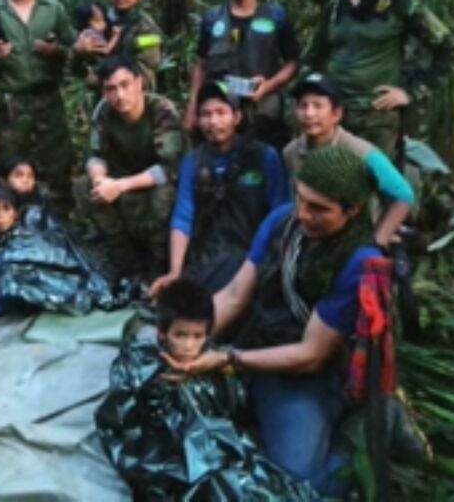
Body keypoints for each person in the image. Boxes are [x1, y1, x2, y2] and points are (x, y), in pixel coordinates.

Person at [162, 145, 380, 494]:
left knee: (298, 485)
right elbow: (235, 295)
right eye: (301, 199)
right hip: (258, 341)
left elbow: (311, 355)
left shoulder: (358, 262)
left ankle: (358, 435)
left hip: (305, 373)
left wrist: (228, 359)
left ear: (351, 210)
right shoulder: (282, 220)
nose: (304, 214)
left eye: (319, 208)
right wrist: (186, 336)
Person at [94, 278, 319, 499]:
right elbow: (121, 422)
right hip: (173, 458)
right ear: (162, 332)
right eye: (180, 335)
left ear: (207, 335)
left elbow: (233, 408)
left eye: (197, 336)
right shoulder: (142, 365)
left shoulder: (215, 361)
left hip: (218, 451)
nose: (189, 345)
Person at [304, 0, 454, 156]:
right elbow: (312, 57)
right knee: (328, 181)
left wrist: (410, 92)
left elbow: (451, 52)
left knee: (374, 183)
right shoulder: (335, 7)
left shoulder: (402, 4)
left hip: (376, 118)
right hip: (333, 114)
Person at [151, 81, 289, 297]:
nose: (213, 121)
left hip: (252, 256)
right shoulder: (193, 160)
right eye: (205, 114)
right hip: (207, 255)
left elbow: (280, 213)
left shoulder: (264, 156)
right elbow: (183, 217)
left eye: (221, 112)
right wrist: (175, 270)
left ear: (236, 117)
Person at [0, 0, 77, 216]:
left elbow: (74, 47)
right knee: (11, 162)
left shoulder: (53, 9)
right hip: (12, 100)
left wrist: (55, 50)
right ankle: (13, 220)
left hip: (48, 97)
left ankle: (58, 220)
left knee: (57, 161)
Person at [78, 57, 185, 284]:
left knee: (164, 194)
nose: (120, 95)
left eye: (125, 85)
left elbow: (170, 168)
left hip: (157, 179)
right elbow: (95, 155)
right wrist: (100, 181)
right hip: (123, 176)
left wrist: (119, 186)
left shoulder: (161, 110)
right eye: (111, 89)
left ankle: (158, 268)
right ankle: (127, 266)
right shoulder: (104, 112)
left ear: (139, 83)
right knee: (86, 187)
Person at [185, 0, 300, 149]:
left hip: (264, 110)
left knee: (266, 163)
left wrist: (269, 85)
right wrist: (193, 106)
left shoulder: (276, 16)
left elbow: (293, 62)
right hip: (221, 112)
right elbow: (201, 64)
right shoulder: (213, 18)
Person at [284, 73, 415, 248]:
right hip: (310, 236)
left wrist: (379, 239)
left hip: (354, 239)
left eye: (318, 106)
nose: (309, 113)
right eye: (303, 106)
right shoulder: (291, 152)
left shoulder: (361, 152)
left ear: (336, 114)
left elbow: (404, 195)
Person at [73, 0, 165, 91]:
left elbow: (145, 76)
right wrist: (78, 52)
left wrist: (102, 82)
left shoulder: (146, 29)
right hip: (104, 102)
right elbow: (78, 69)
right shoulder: (100, 20)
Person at [68, 1, 117, 90]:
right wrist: (116, 36)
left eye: (103, 20)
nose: (104, 25)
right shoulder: (92, 35)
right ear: (88, 23)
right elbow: (106, 50)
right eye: (98, 21)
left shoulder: (84, 34)